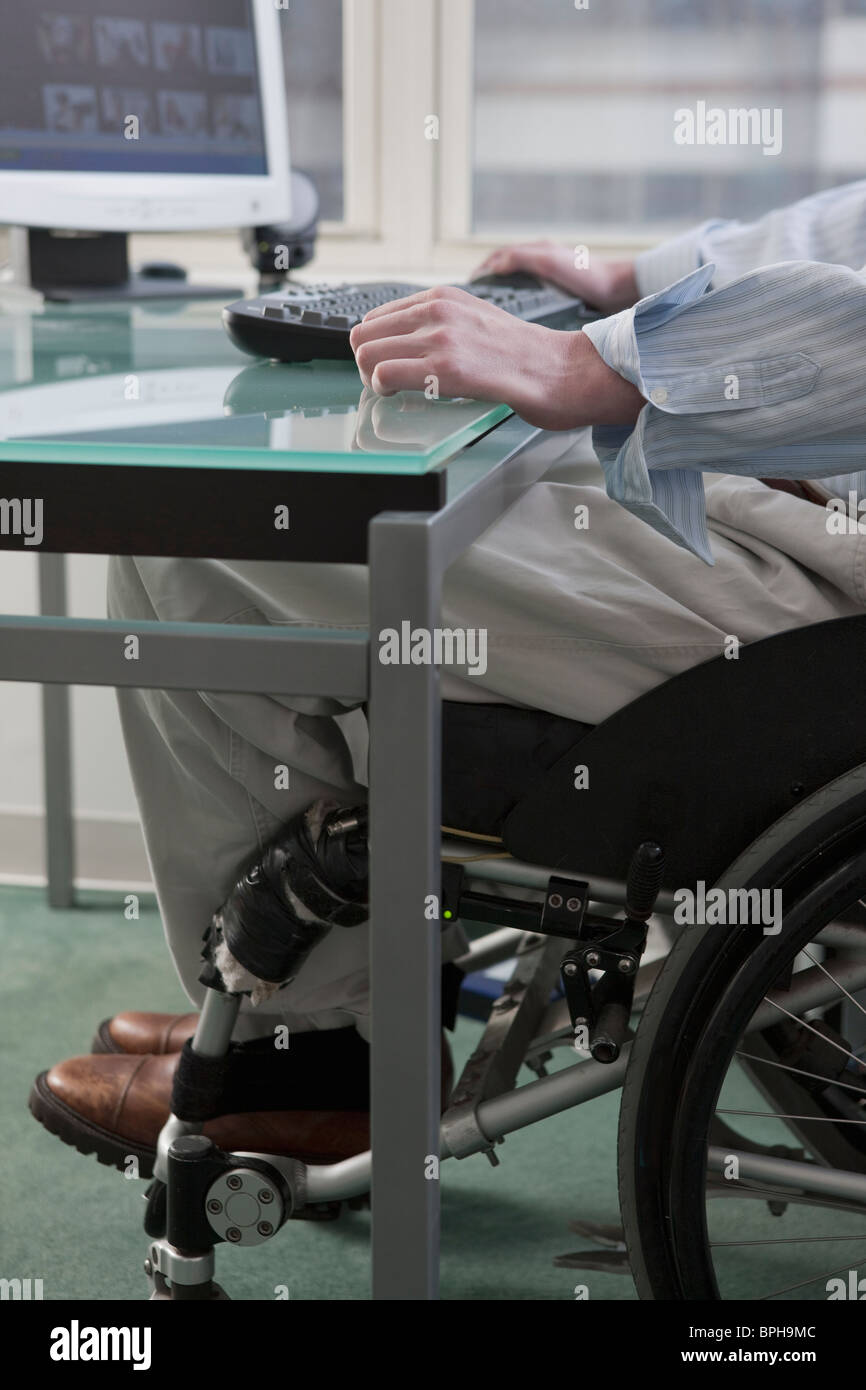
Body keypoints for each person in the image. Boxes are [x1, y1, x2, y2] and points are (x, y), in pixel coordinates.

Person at [30, 180, 866, 1173]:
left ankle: (317, 1056)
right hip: (805, 507)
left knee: (200, 522)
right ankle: (315, 1023)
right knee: (211, 519)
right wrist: (628, 286)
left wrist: (608, 363)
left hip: (821, 601)